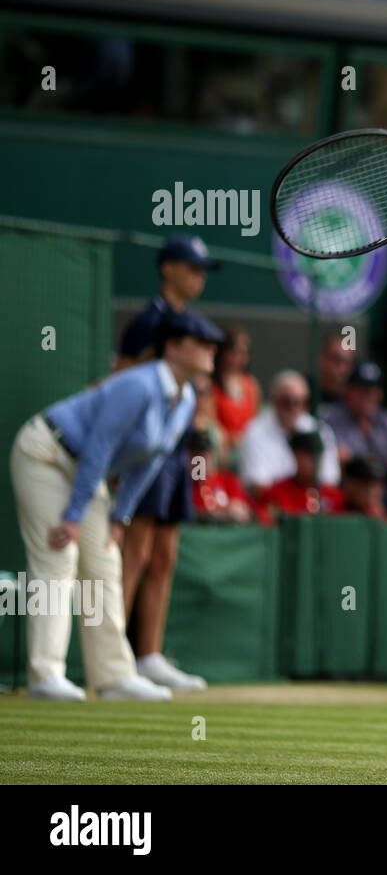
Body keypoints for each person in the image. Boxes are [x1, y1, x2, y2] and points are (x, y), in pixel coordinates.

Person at [10, 310, 222, 701]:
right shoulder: (138, 386)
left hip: (85, 472)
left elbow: (150, 461)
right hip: (45, 453)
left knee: (105, 563)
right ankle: (45, 675)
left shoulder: (187, 397)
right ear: (173, 349)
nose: (212, 350)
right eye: (201, 343)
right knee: (58, 557)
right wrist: (73, 517)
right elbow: (99, 447)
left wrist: (121, 515)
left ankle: (112, 677)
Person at [114, 236, 220, 695]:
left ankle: (149, 656)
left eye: (202, 270)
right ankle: (113, 660)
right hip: (145, 449)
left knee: (164, 555)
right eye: (192, 268)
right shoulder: (147, 324)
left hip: (176, 452)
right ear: (168, 269)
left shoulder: (191, 327)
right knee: (134, 552)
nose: (199, 277)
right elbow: (120, 382)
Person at [320, 360, 387, 514]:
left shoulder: (386, 419)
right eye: (362, 390)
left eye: (374, 390)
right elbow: (343, 462)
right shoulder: (332, 418)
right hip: (347, 499)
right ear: (348, 391)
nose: (369, 396)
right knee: (359, 470)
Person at [239, 370, 342, 499]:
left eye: (299, 402)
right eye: (286, 402)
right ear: (274, 402)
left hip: (312, 504)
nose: (293, 409)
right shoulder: (255, 431)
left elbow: (330, 480)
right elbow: (257, 486)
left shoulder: (320, 430)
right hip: (274, 506)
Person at [258, 430, 345, 520]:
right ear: (296, 456)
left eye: (317, 456)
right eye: (307, 456)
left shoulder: (334, 496)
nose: (314, 462)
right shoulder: (277, 493)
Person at [211, 323, 261, 451]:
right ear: (223, 352)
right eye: (235, 352)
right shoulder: (209, 386)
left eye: (245, 352)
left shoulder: (251, 385)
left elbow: (256, 424)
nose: (241, 358)